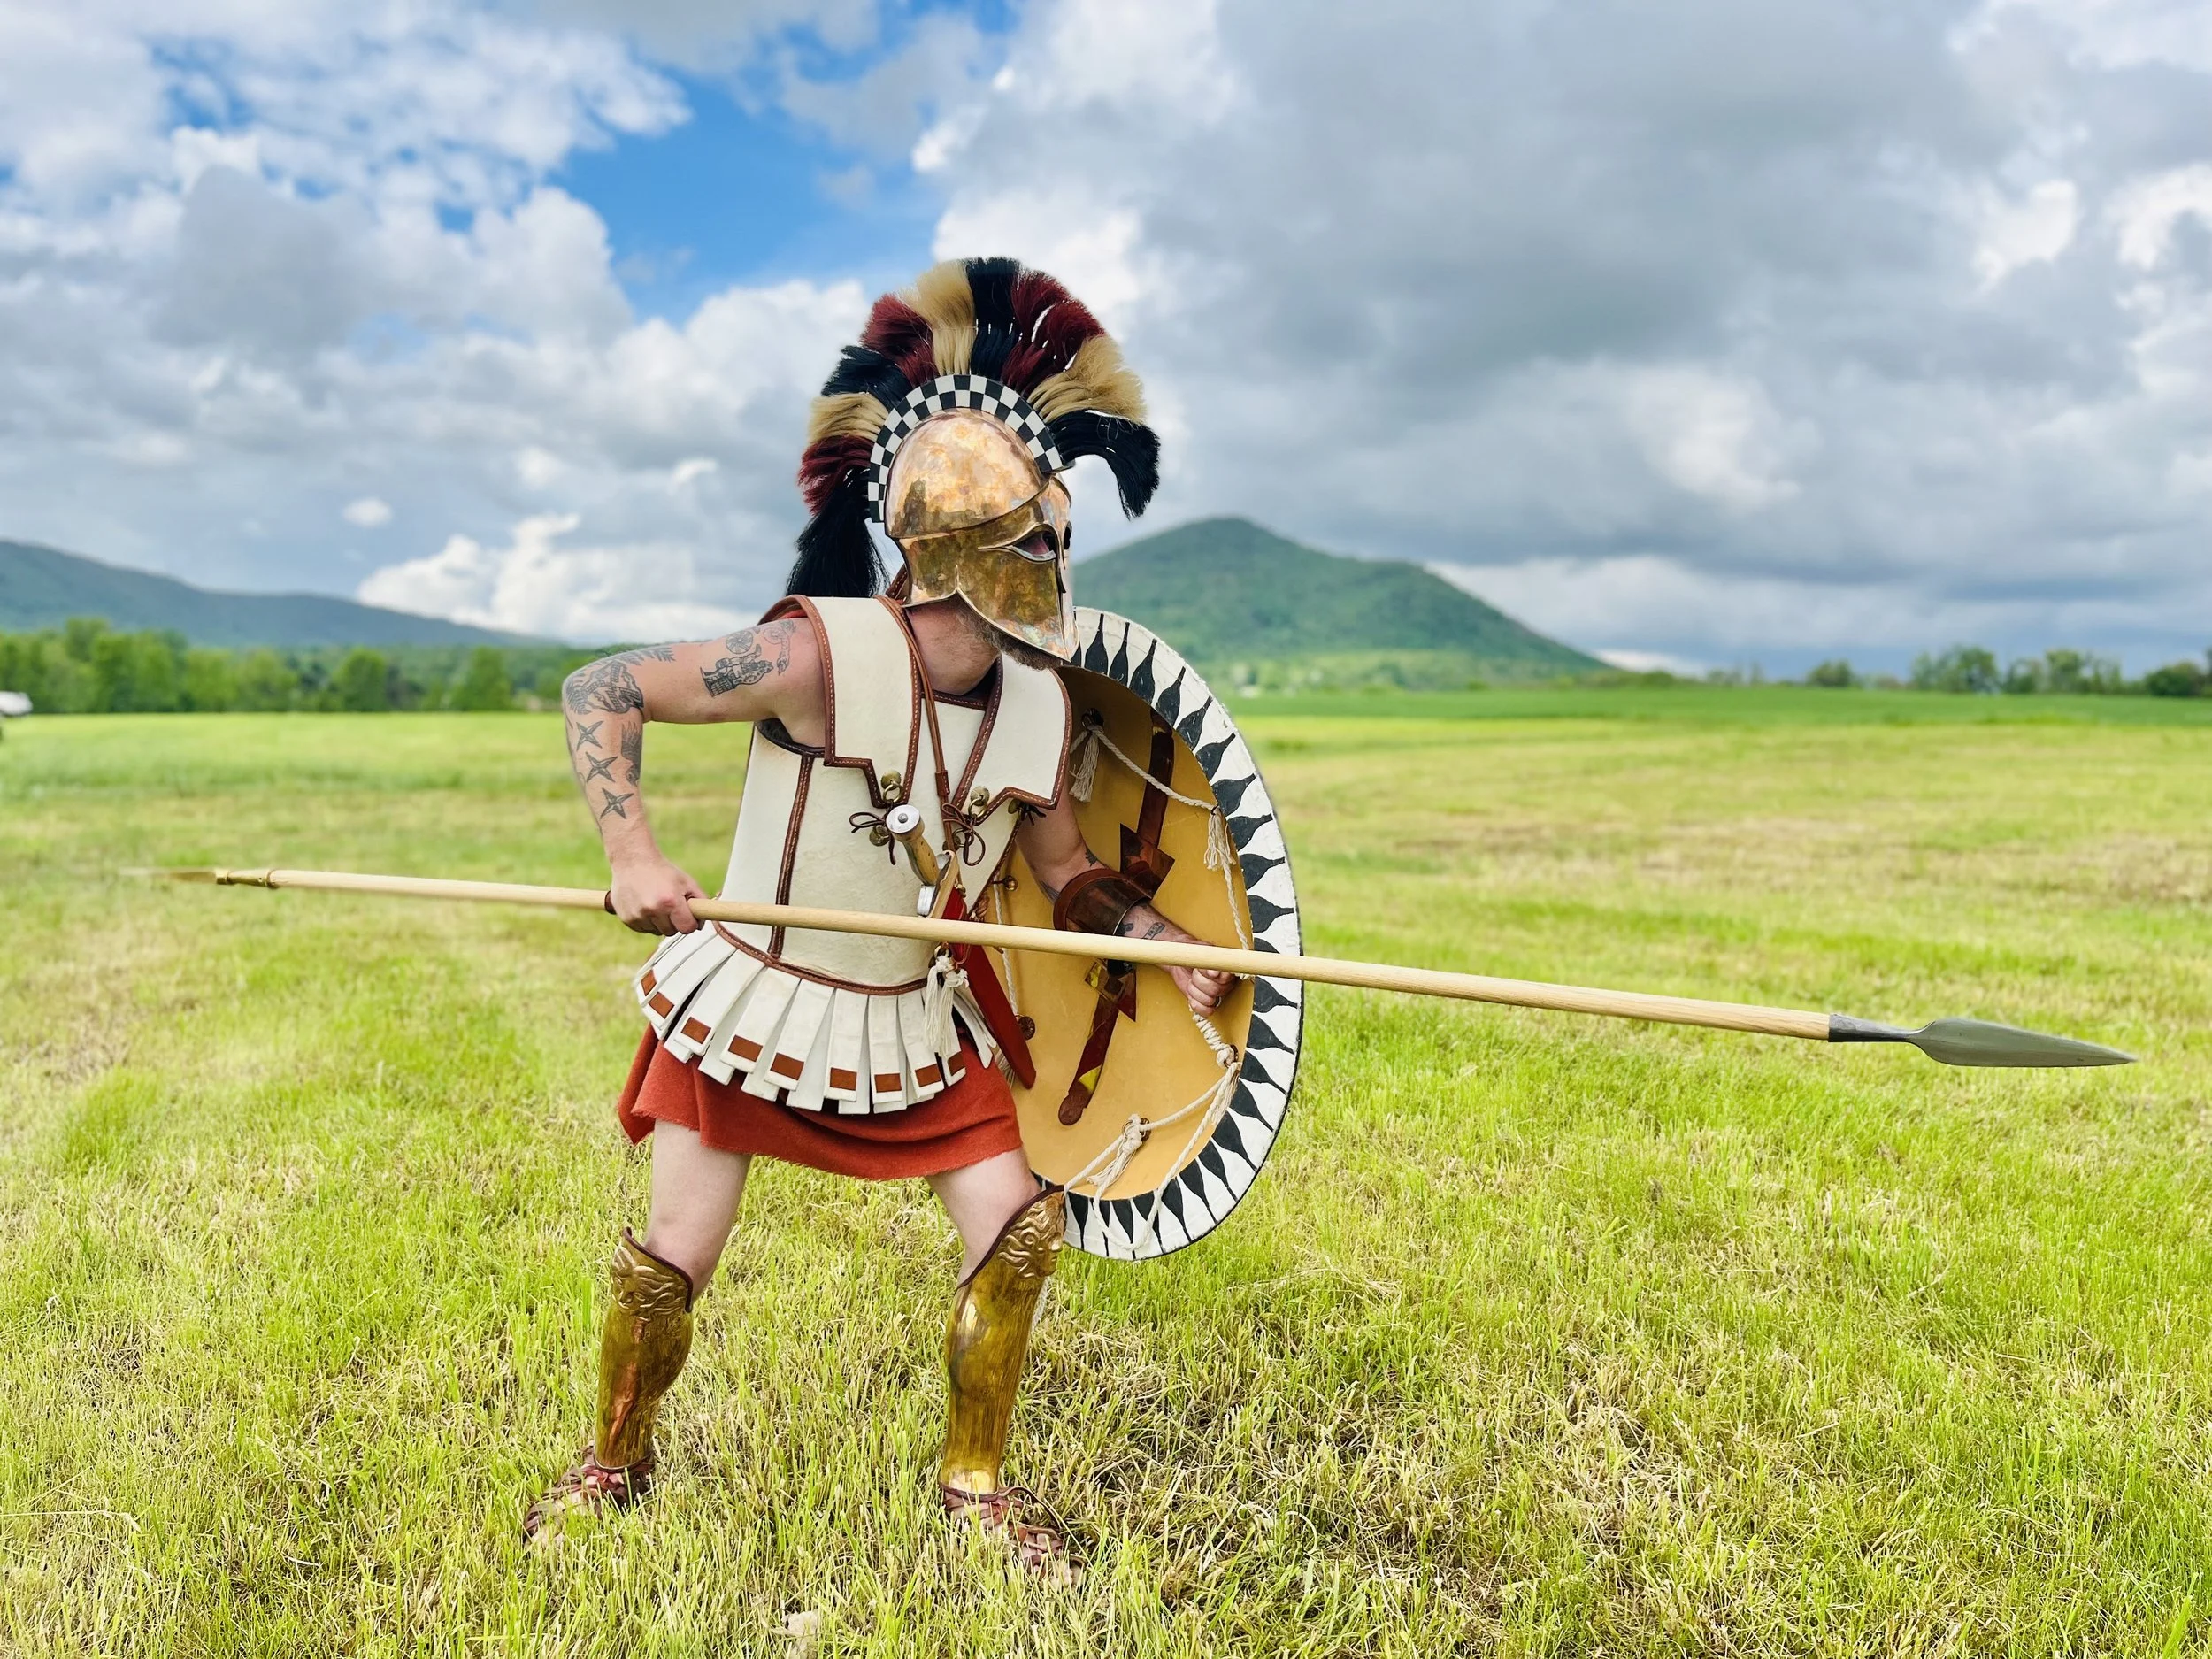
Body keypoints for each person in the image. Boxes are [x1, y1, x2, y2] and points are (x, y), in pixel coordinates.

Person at [525, 257, 1232, 1578]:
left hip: (915, 1013)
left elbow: (1070, 869)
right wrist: (633, 846)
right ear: (950, 546)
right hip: (760, 996)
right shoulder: (813, 654)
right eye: (1028, 536)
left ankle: (975, 1489)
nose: (1051, 558)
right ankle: (610, 1463)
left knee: (1019, 1229)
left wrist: (1157, 936)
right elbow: (601, 685)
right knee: (674, 1254)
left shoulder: (1041, 702)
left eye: (1054, 534)